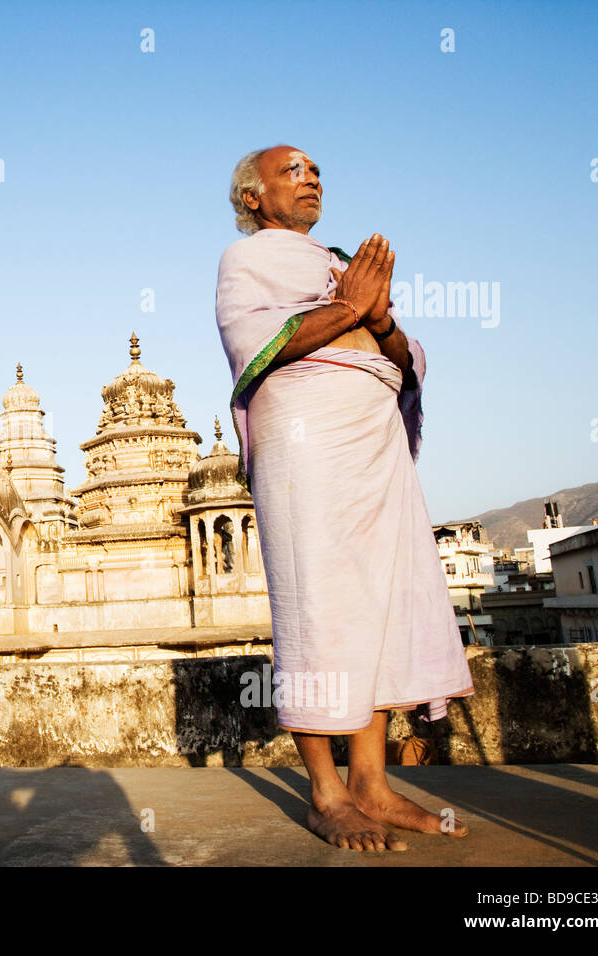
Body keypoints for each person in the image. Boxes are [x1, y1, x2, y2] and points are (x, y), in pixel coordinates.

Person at [215, 145, 474, 852]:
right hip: (305, 439)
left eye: (317, 170)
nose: (312, 179)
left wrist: (379, 319)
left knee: (383, 602)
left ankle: (373, 785)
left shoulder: (336, 263)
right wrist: (348, 308)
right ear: (253, 200)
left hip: (374, 438)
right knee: (320, 604)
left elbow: (402, 352)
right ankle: (326, 795)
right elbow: (259, 341)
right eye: (292, 172)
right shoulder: (245, 262)